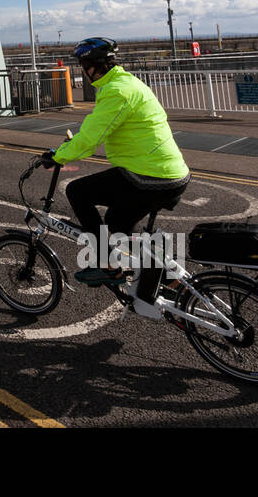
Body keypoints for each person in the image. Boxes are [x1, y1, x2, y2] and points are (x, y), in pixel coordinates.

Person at [44, 37, 190, 300]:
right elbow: (97, 130)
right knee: (116, 221)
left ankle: (108, 266)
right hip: (165, 172)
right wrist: (70, 147)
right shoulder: (125, 83)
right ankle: (172, 283)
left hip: (149, 174)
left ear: (92, 66)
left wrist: (58, 157)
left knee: (78, 191)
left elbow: (90, 139)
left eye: (83, 65)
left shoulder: (116, 91)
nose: (83, 71)